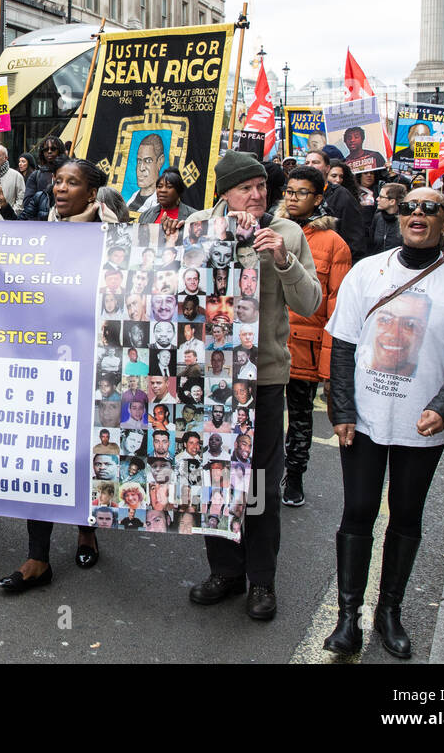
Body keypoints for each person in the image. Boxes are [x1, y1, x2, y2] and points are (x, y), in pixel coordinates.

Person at [324, 188, 444, 658]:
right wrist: (341, 410)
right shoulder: (368, 271)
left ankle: (390, 613)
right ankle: (348, 618)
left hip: (422, 424)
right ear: (398, 217)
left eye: (430, 208)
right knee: (358, 512)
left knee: (406, 514)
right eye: (409, 208)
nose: (417, 214)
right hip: (363, 420)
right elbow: (342, 345)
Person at [170, 149, 320, 621]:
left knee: (259, 485)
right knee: (214, 477)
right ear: (224, 193)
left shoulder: (289, 232)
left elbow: (312, 301)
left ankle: (261, 581)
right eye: (245, 188)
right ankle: (226, 572)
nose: (257, 196)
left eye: (261, 187)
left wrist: (283, 259)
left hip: (266, 379)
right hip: (207, 376)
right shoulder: (195, 227)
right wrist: (167, 250)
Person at [0, 159, 120, 591]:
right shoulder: (41, 229)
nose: (60, 188)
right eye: (58, 181)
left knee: (85, 451)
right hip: (45, 360)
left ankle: (87, 529)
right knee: (41, 452)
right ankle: (37, 559)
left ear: (92, 194)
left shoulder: (113, 235)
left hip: (94, 361)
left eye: (72, 183)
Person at [276, 166, 352, 507]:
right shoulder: (270, 229)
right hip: (268, 344)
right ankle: (260, 477)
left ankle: (294, 476)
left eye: (302, 192)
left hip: (305, 349)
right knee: (260, 417)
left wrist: (329, 370)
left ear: (318, 197)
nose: (293, 198)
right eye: (289, 191)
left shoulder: (334, 244)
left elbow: (337, 308)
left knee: (301, 419)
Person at [305, 149, 368, 260]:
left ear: (327, 168)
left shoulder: (342, 195)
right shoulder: (299, 194)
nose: (310, 166)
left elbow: (354, 240)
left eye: (315, 162)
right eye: (307, 163)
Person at [19, 136, 64, 220]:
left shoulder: (68, 173)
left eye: (53, 149)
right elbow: (27, 204)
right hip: (41, 224)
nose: (49, 152)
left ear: (60, 151)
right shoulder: (36, 175)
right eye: (46, 150)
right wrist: (43, 198)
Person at [129, 134, 167, 214]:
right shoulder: (132, 198)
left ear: (160, 161)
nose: (141, 168)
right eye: (139, 161)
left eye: (148, 161)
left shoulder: (163, 202)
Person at [0, 144, 25, 219]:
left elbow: (21, 200)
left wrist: (11, 214)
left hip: (7, 221)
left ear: (6, 158)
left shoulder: (17, 176)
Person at [371, 182, 407, 252]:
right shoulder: (378, 218)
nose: (377, 199)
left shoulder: (405, 220)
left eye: (381, 197)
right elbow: (371, 242)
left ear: (392, 201)